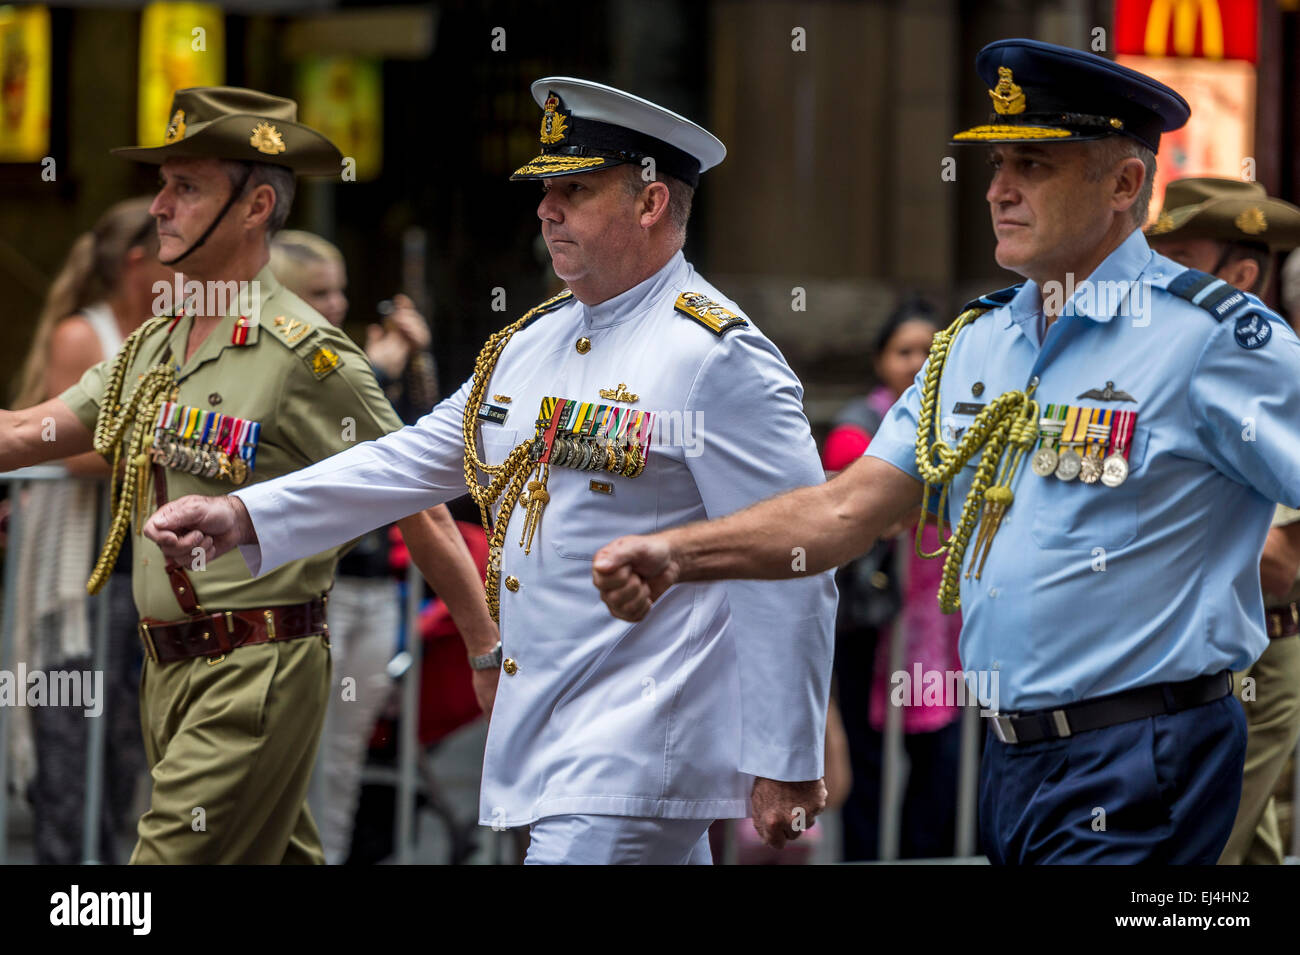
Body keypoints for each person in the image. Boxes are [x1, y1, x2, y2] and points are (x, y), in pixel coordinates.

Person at [593, 39, 1300, 865]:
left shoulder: (1214, 337)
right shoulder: (976, 342)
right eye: (997, 164)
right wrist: (678, 552)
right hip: (1009, 754)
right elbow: (847, 508)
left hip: (1145, 750)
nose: (998, 189)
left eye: (1033, 165)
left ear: (1124, 184)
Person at [142, 77, 838, 865]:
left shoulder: (718, 355)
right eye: (545, 190)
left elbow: (793, 558)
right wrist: (246, 515)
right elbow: (410, 459)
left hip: (639, 743)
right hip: (549, 728)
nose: (546, 211)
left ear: (649, 205)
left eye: (574, 190)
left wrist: (788, 756)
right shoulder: (530, 342)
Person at [0, 86, 495, 864]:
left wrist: (484, 650)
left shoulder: (308, 354)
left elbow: (419, 502)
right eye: (162, 184)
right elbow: (29, 431)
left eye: (185, 186)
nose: (159, 205)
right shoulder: (154, 345)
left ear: (257, 203)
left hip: (254, 668)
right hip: (165, 672)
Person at [269, 229, 441, 864]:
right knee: (287, 759)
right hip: (307, 591)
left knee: (340, 761)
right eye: (320, 292)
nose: (337, 304)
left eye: (342, 290)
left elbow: (429, 454)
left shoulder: (348, 357)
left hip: (373, 587)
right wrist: (379, 370)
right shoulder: (285, 357)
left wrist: (415, 364)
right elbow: (323, 452)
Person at [8, 196, 169, 863]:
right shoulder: (85, 335)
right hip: (81, 578)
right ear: (138, 262)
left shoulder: (167, 332)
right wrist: (173, 444)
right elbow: (66, 448)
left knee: (124, 756)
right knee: (73, 746)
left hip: (140, 575)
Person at [1147, 177, 1300, 865]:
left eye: (1178, 258)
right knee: (1253, 850)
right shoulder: (1159, 360)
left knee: (1205, 859)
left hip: (1255, 655)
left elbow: (1278, 559)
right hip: (1188, 665)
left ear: (1239, 274)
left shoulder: (1267, 368)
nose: (1155, 278)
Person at [824, 299, 965, 860]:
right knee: (869, 760)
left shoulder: (967, 417)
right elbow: (856, 491)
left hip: (944, 626)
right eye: (903, 351)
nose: (916, 362)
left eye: (930, 351)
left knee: (942, 761)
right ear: (881, 359)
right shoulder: (862, 424)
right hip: (874, 622)